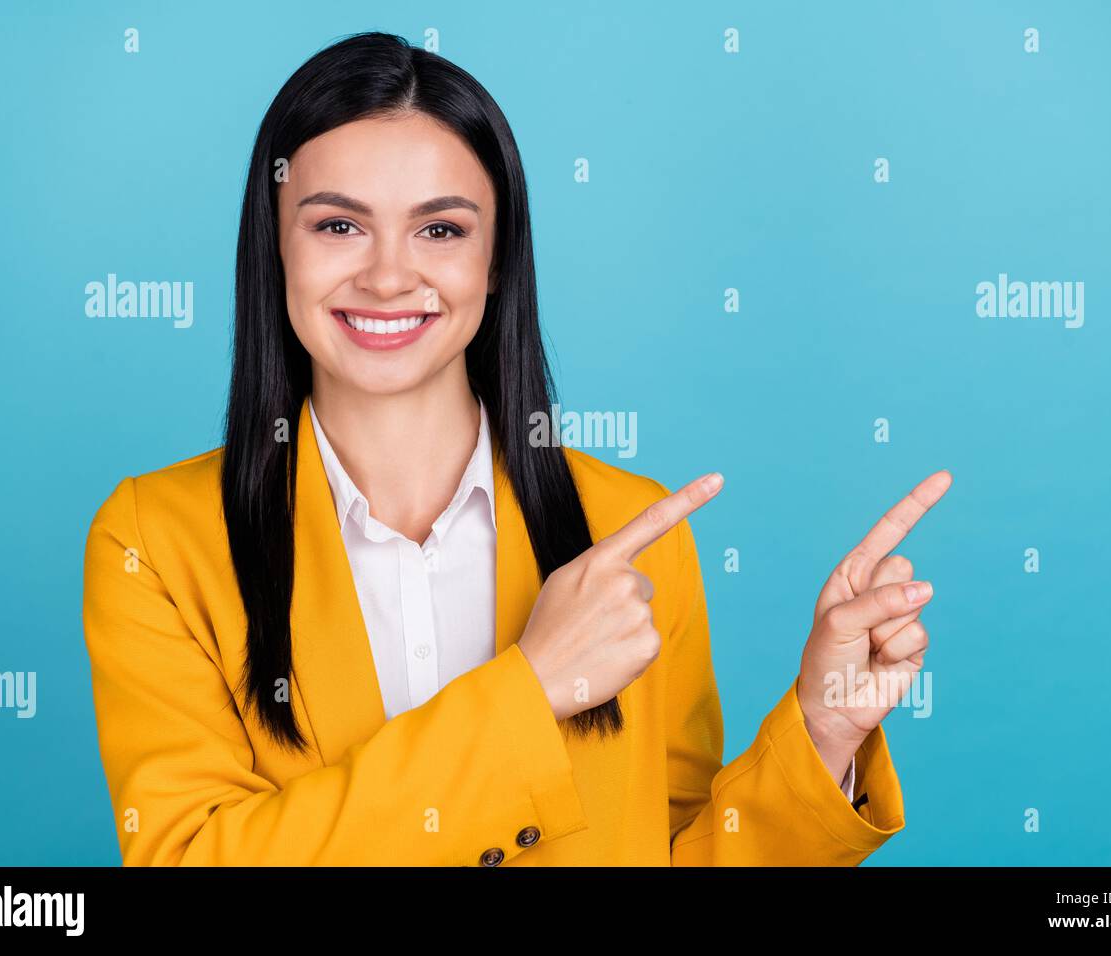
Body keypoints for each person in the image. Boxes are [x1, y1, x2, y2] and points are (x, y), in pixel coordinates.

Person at [81, 31, 950, 866]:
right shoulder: (154, 542)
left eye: (441, 229)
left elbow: (676, 852)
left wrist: (825, 730)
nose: (388, 276)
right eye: (338, 226)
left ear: (497, 261)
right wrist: (528, 693)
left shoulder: (633, 536)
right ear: (275, 247)